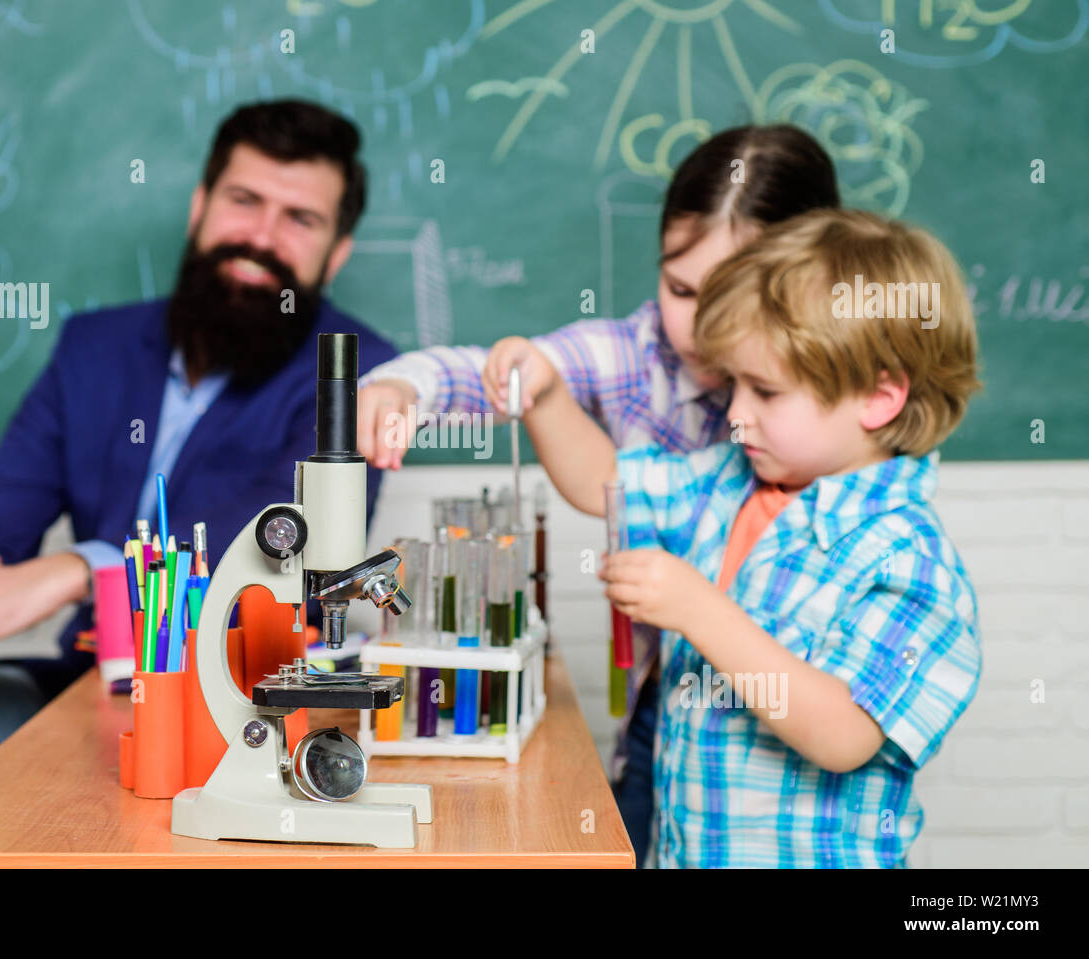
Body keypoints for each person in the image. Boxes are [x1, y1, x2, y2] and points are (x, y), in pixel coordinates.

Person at [0, 100, 397, 869]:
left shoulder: (353, 376)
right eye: (244, 201)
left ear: (336, 252)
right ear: (199, 206)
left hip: (233, 718)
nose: (261, 237)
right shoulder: (94, 348)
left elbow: (273, 557)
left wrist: (80, 567)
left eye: (299, 219)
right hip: (78, 698)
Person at [356, 124, 841, 864]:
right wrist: (404, 385)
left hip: (808, 723)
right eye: (680, 288)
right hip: (667, 709)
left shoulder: (846, 413)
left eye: (733, 296)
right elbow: (535, 401)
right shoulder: (638, 355)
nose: (700, 325)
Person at [517, 207, 982, 866]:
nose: (735, 415)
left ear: (879, 398)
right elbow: (606, 481)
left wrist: (699, 609)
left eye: (765, 390)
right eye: (733, 384)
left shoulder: (907, 558)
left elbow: (842, 731)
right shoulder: (729, 482)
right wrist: (544, 395)